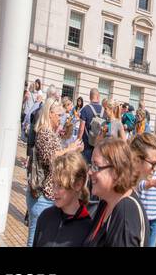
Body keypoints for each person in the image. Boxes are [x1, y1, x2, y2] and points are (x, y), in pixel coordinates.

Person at [29, 99, 83, 246]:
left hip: (47, 194)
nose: (60, 118)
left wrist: (71, 149)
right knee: (35, 238)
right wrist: (69, 149)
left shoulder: (50, 132)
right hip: (42, 195)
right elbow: (51, 158)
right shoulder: (44, 132)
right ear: (50, 114)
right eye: (58, 115)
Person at [84, 137, 145, 247]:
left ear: (116, 171)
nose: (89, 172)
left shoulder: (126, 212)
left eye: (96, 166)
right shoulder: (106, 203)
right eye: (90, 165)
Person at [32, 151, 93, 247]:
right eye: (54, 184)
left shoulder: (87, 229)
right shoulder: (46, 216)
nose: (54, 191)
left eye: (60, 185)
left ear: (78, 185)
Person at [77, 88, 104, 163]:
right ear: (98, 97)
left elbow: (81, 128)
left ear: (90, 97)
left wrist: (78, 141)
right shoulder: (104, 110)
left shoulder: (85, 109)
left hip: (87, 144)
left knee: (85, 166)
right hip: (99, 146)